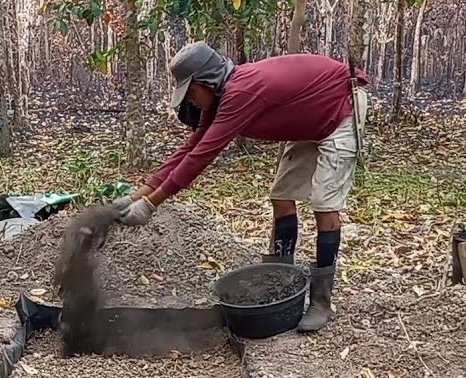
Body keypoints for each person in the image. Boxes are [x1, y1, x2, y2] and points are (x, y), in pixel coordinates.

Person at [117, 42, 369, 332]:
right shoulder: (222, 96)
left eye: (191, 93)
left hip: (340, 108)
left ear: (206, 81)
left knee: (324, 204)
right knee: (282, 196)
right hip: (310, 119)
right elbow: (190, 147)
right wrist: (137, 195)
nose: (191, 101)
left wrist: (151, 205)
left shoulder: (241, 92)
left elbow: (201, 158)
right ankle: (282, 282)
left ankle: (321, 302)